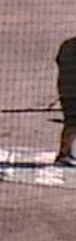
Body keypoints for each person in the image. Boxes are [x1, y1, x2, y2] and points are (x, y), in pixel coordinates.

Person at [56, 36, 76, 167]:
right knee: (72, 122)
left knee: (71, 122)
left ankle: (65, 152)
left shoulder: (67, 44)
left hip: (66, 89)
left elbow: (58, 60)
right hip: (72, 91)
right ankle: (63, 154)